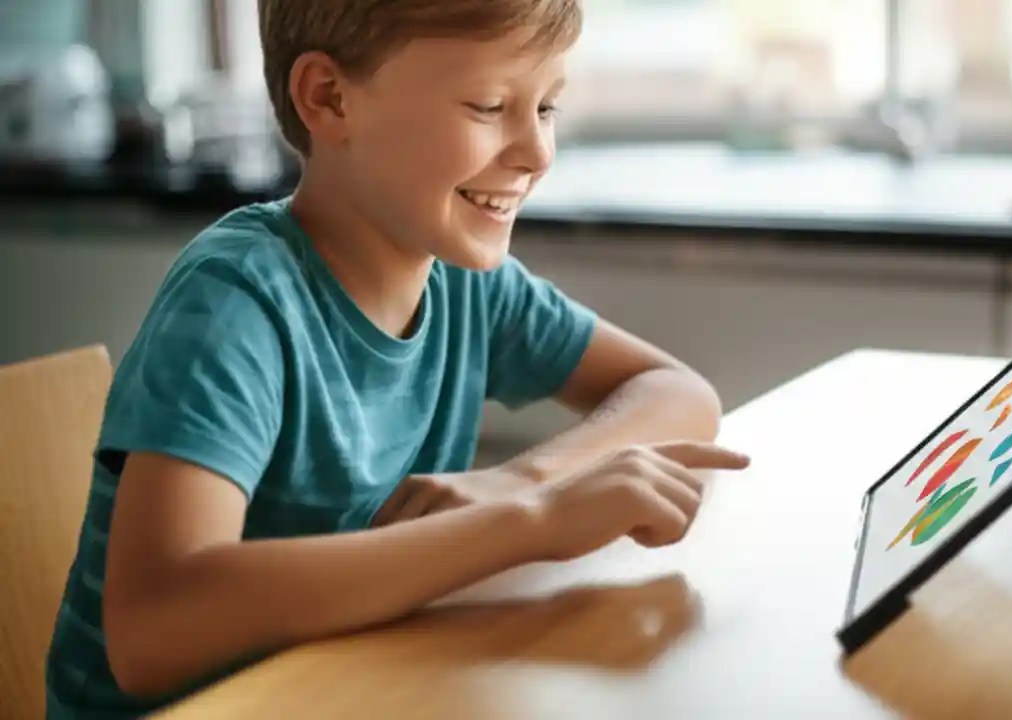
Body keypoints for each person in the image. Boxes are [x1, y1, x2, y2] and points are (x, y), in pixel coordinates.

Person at [45, 2, 749, 717]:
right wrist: (529, 520)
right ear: (329, 97)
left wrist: (523, 480)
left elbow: (677, 393)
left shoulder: (467, 284)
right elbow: (153, 630)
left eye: (548, 106)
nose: (537, 152)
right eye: (490, 104)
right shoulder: (238, 306)